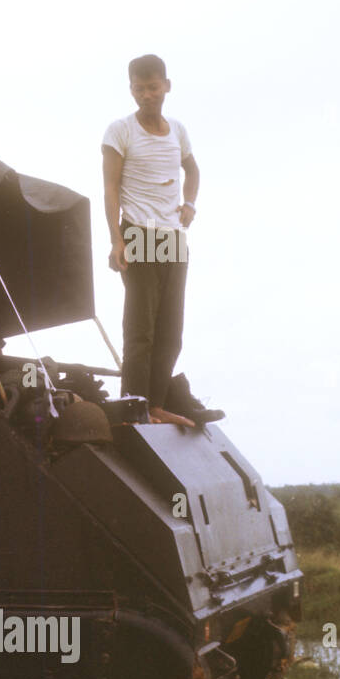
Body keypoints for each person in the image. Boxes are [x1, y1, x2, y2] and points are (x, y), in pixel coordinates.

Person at [102, 54, 220, 427]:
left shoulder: (178, 131)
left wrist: (190, 204)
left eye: (153, 87)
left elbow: (193, 169)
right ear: (132, 90)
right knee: (141, 330)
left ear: (166, 86)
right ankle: (135, 407)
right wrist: (116, 240)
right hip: (139, 232)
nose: (147, 95)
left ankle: (156, 405)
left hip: (172, 236)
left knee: (171, 331)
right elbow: (110, 187)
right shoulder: (119, 130)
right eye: (139, 89)